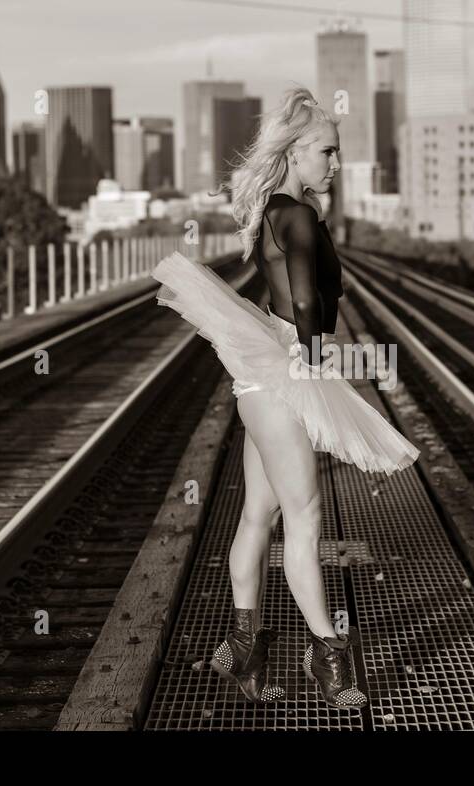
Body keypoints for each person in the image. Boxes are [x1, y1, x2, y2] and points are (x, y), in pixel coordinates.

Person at [149, 85, 419, 708]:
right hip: (287, 367)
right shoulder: (297, 215)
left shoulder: (282, 210)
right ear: (295, 154)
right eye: (326, 150)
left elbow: (298, 297)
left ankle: (245, 649)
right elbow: (302, 299)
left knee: (259, 515)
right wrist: (314, 360)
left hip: (271, 368)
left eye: (337, 151)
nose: (335, 163)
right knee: (305, 519)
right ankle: (328, 657)